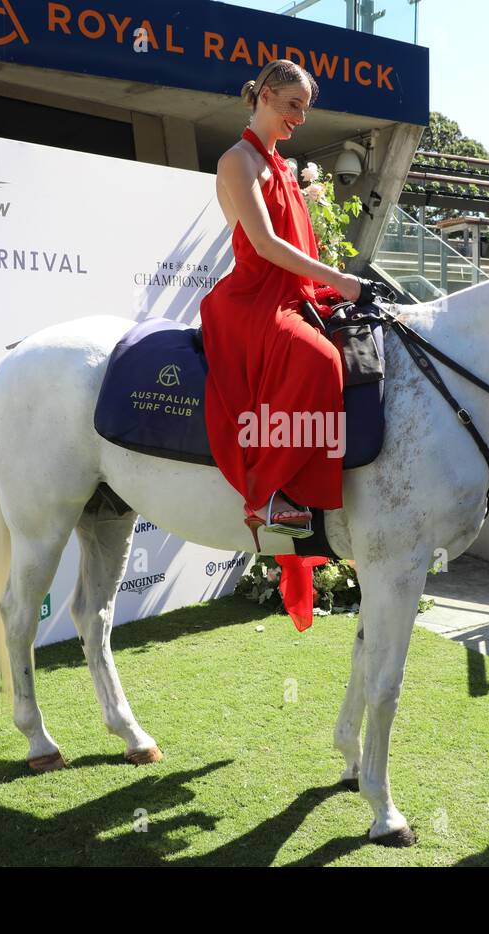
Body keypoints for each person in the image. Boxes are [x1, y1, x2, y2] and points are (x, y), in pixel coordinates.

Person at [199, 59, 366, 630]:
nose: (299, 117)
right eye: (293, 104)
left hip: (291, 294)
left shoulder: (281, 166)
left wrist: (329, 285)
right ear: (266, 95)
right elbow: (265, 245)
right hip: (253, 301)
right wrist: (338, 277)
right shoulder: (237, 160)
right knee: (319, 358)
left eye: (304, 109)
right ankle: (270, 498)